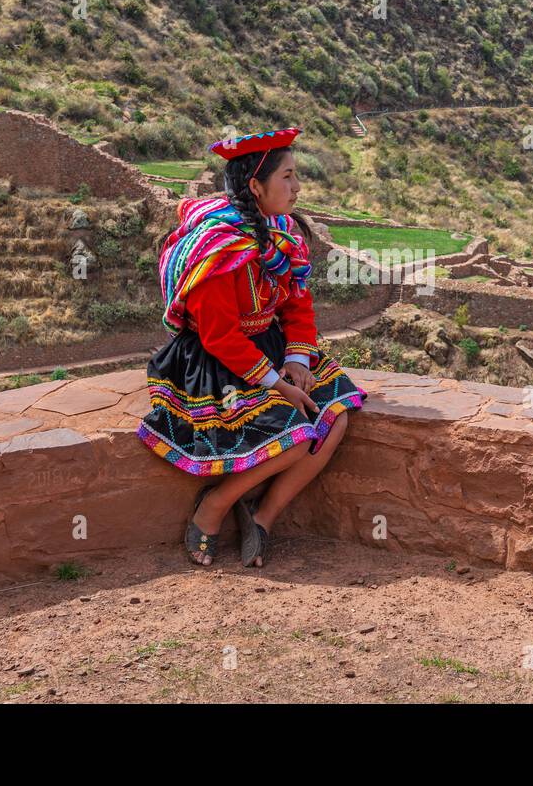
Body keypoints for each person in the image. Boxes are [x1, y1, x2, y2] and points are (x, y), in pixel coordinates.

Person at [137, 127, 367, 568]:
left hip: (273, 350)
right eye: (288, 177)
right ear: (255, 187)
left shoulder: (283, 236)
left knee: (333, 419)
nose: (297, 187)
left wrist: (298, 360)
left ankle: (262, 516)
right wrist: (278, 384)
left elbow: (298, 304)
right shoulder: (218, 249)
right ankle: (216, 505)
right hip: (217, 361)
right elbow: (219, 335)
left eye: (296, 175)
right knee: (296, 440)